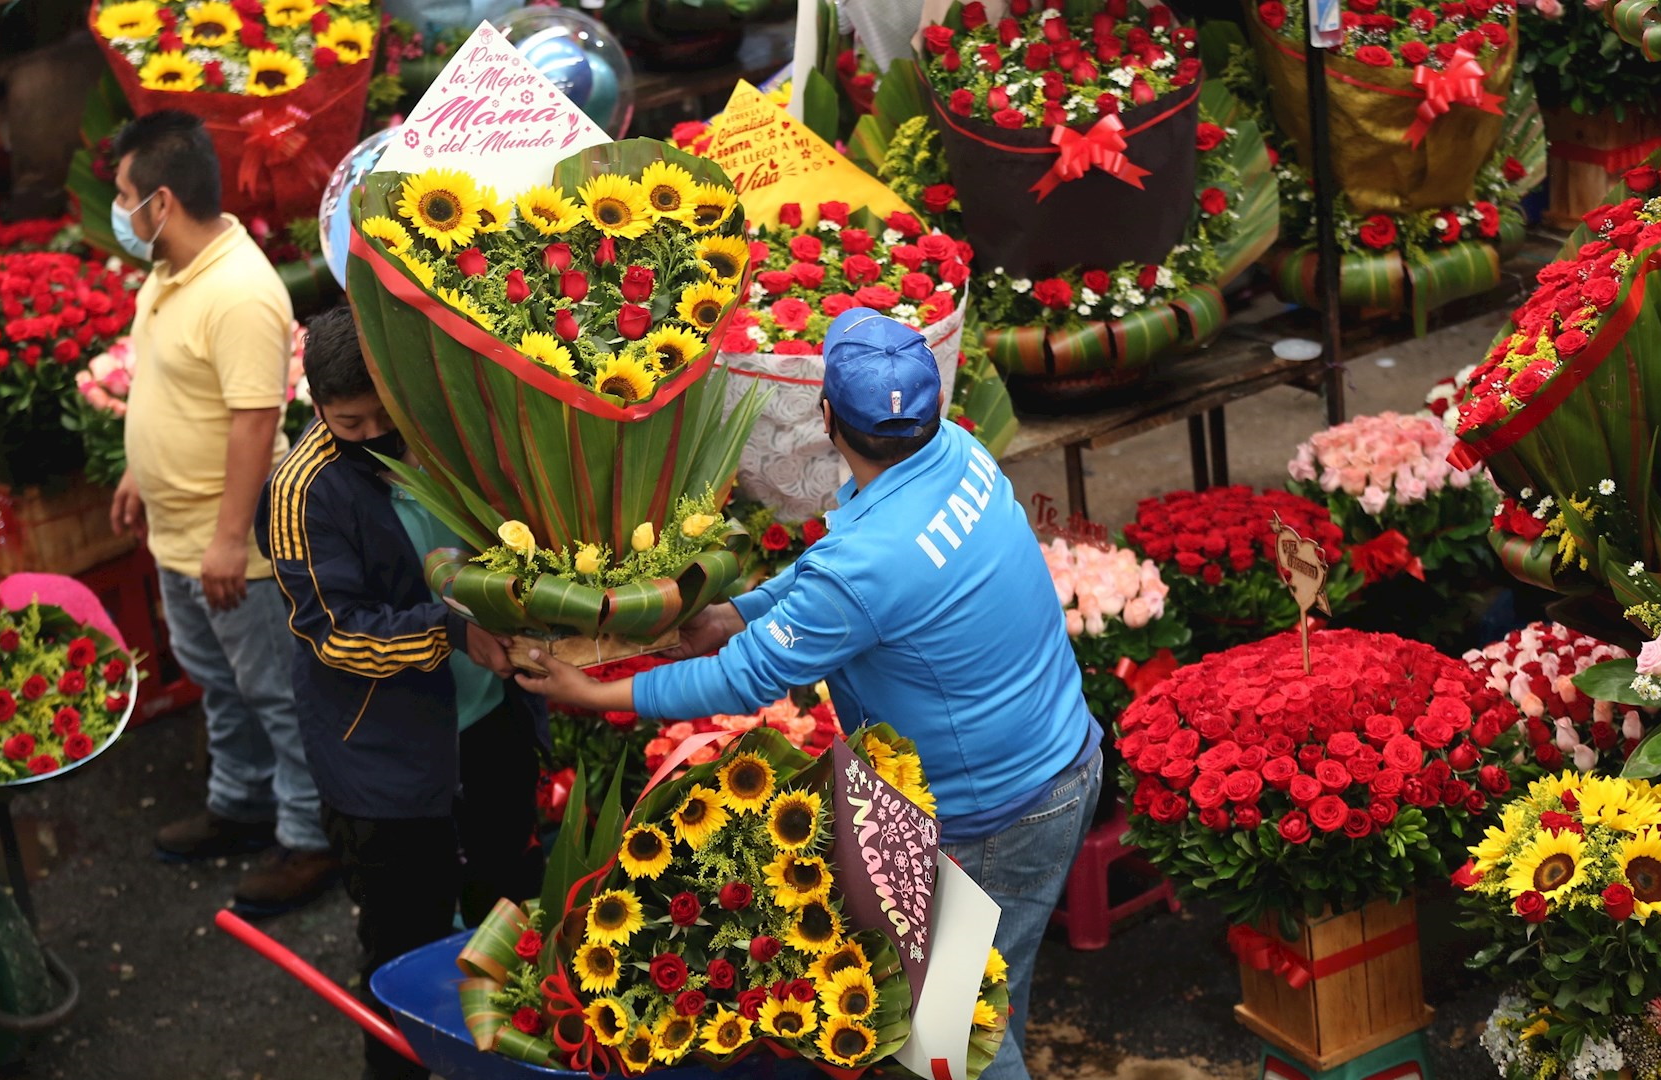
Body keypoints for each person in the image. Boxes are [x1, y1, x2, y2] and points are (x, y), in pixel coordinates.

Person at [517, 309, 1099, 1080]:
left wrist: (588, 692)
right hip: (1057, 762)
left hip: (992, 812)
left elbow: (747, 676)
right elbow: (834, 573)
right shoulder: (956, 454)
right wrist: (735, 614)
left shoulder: (869, 562)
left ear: (826, 416)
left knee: (953, 1035)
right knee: (977, 1010)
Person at [256, 306, 544, 1080]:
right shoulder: (301, 491)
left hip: (489, 723)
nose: (376, 433)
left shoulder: (447, 427)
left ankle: (501, 1058)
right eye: (350, 422)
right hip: (380, 754)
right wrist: (451, 631)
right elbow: (334, 632)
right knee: (404, 945)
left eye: (387, 413)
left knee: (506, 913)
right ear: (315, 405)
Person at [106, 109, 335, 915]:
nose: (121, 210)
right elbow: (168, 388)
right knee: (219, 683)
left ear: (160, 201)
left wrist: (232, 540)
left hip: (230, 544)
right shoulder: (169, 273)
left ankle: (310, 839)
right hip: (177, 533)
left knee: (274, 690)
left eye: (125, 194)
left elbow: (253, 421)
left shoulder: (241, 291)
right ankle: (240, 803)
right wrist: (139, 472)